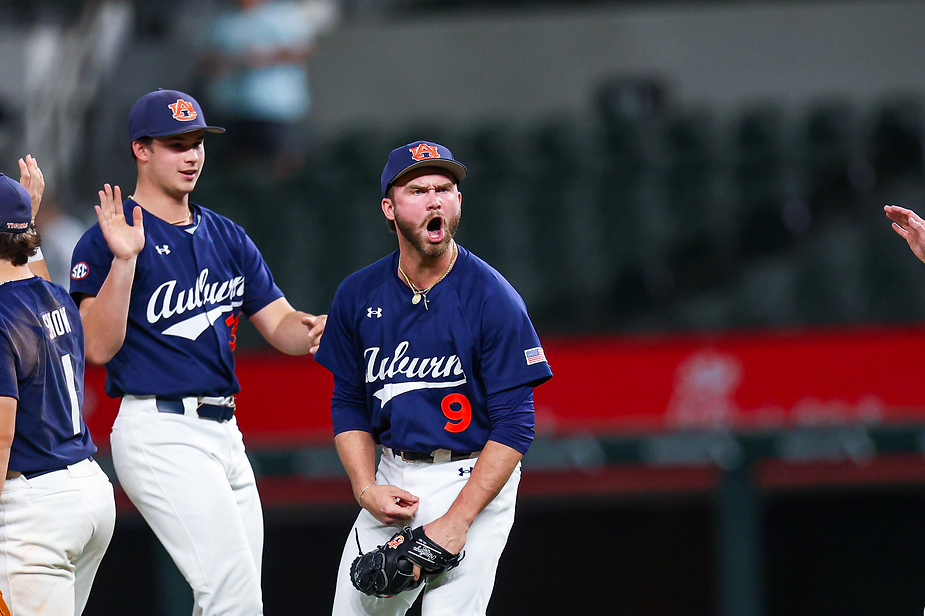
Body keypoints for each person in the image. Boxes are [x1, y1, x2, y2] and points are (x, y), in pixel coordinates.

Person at [68, 88, 326, 616]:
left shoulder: (227, 235)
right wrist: (124, 263)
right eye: (176, 144)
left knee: (240, 595)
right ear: (142, 150)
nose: (192, 156)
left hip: (226, 434)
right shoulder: (106, 239)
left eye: (198, 143)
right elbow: (96, 347)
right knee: (230, 593)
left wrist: (317, 331)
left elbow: (280, 324)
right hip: (159, 428)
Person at [315, 140, 554, 615]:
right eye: (418, 189)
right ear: (389, 207)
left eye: (445, 189)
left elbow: (515, 425)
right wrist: (366, 487)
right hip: (393, 476)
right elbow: (348, 402)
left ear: (459, 201)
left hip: (473, 476)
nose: (435, 200)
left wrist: (458, 520)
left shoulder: (493, 298)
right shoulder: (358, 294)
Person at [0, 155, 118, 615]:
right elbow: (29, 272)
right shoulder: (52, 295)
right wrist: (21, 220)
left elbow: (2, 434)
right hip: (87, 491)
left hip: (34, 508)